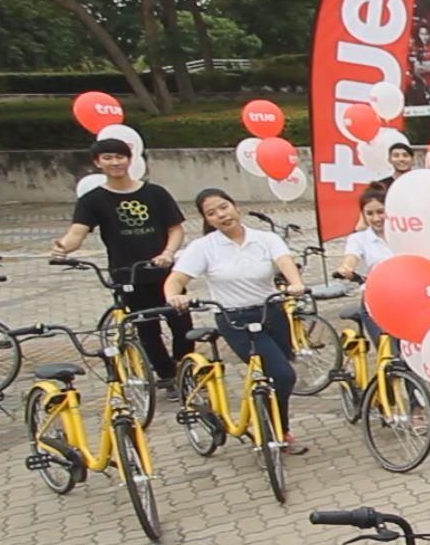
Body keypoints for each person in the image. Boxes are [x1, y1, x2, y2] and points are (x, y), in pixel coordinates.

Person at [162, 189, 309, 453]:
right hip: (234, 318)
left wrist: (295, 283)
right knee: (283, 375)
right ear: (207, 219)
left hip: (271, 311)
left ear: (236, 207)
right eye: (212, 213)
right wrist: (174, 296)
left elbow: (284, 262)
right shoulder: (203, 247)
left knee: (279, 374)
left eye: (224, 207)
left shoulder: (265, 238)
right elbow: (176, 279)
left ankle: (270, 422)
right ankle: (279, 431)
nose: (221, 215)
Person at [50, 138, 192, 386]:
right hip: (127, 275)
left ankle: (185, 368)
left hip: (165, 273)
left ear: (130, 159)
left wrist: (168, 252)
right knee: (148, 331)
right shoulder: (92, 200)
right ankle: (168, 376)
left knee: (182, 324)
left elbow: (176, 229)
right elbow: (77, 233)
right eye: (107, 158)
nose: (115, 162)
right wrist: (62, 246)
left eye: (120, 157)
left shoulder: (155, 193)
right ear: (97, 163)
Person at [335, 185, 394, 340]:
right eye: (370, 213)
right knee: (388, 351)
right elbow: (351, 257)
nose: (376, 218)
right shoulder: (358, 239)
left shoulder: (403, 234)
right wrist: (346, 268)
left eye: (381, 212)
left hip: (406, 297)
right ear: (363, 215)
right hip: (375, 298)